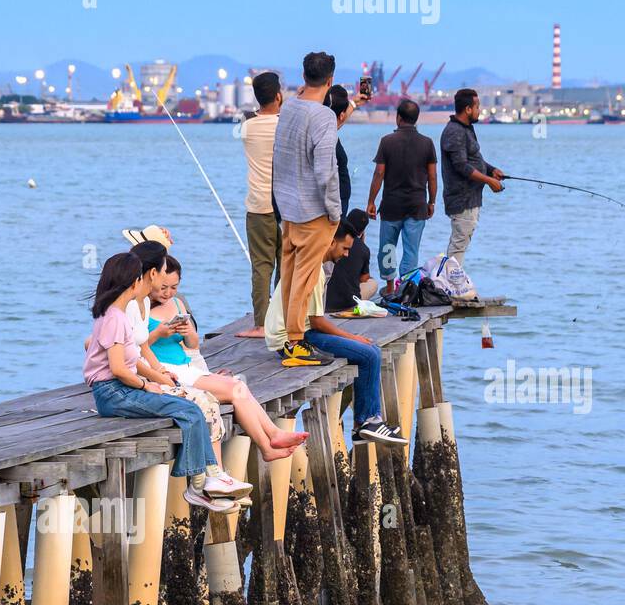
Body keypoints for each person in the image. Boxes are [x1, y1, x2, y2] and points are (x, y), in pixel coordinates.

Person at [84, 251, 250, 513]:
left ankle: (207, 480)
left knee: (192, 409)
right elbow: (117, 368)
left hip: (121, 388)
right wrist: (145, 386)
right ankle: (199, 485)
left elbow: (132, 358)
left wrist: (156, 376)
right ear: (133, 282)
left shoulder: (115, 314)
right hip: (113, 392)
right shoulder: (115, 317)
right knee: (189, 410)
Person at [147, 255, 308, 461]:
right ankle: (268, 444)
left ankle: (272, 437)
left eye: (174, 287)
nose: (168, 293)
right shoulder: (141, 307)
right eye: (163, 288)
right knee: (235, 389)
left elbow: (192, 345)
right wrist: (159, 333)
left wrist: (188, 332)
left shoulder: (177, 303)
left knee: (238, 386)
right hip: (166, 369)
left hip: (186, 365)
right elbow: (136, 348)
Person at [262, 220, 407, 447]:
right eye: (345, 248)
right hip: (295, 339)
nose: (347, 255)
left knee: (372, 350)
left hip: (288, 336)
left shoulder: (302, 262)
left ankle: (364, 424)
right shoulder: (315, 271)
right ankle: (367, 420)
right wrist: (353, 338)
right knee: (370, 354)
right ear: (329, 243)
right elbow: (316, 322)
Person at [271, 51, 341, 369]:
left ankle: (290, 338)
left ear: (303, 77)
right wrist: (335, 210)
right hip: (314, 210)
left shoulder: (289, 108)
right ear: (331, 80)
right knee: (306, 276)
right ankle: (297, 343)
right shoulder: (323, 116)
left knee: (289, 273)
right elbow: (326, 169)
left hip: (287, 205)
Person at [367, 96, 438, 293]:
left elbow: (379, 173)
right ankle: (406, 288)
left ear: (398, 118)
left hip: (391, 206)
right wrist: (431, 202)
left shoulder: (387, 142)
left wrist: (371, 201)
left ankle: (389, 287)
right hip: (417, 205)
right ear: (416, 119)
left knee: (387, 247)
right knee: (411, 250)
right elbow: (432, 177)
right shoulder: (427, 143)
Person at [440, 88, 503, 270]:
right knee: (458, 245)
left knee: (461, 244)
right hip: (462, 200)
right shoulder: (454, 131)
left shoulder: (466, 129)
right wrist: (488, 181)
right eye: (477, 107)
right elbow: (461, 166)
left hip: (471, 198)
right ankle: (452, 286)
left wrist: (491, 171)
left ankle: (453, 284)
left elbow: (475, 159)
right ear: (468, 109)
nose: (479, 111)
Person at [241, 71, 282, 336]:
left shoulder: (247, 128)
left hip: (258, 206)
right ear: (279, 95)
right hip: (287, 206)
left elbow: (252, 115)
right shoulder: (287, 125)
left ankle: (260, 323)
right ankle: (283, 317)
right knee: (287, 264)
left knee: (261, 267)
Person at [324, 209, 378, 313]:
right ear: (362, 232)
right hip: (349, 304)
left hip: (326, 301)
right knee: (373, 283)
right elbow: (364, 278)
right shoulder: (364, 249)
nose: (346, 253)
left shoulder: (332, 241)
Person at [326, 82, 362, 211]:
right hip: (335, 206)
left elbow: (335, 124)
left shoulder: (322, 131)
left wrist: (354, 104)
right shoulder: (327, 138)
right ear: (341, 115)